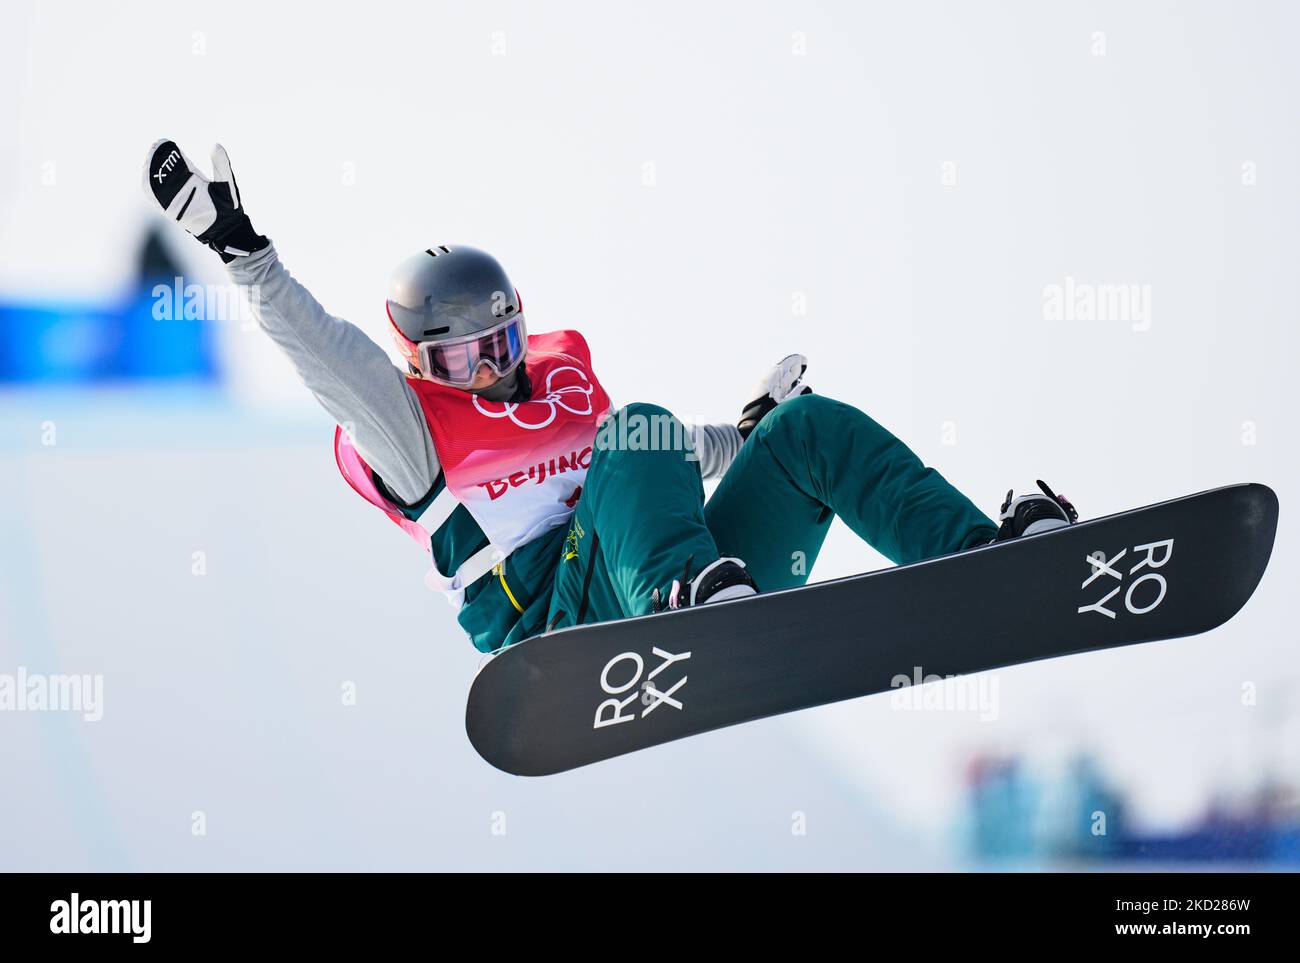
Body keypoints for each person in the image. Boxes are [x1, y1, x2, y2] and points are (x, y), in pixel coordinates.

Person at [143, 139, 1079, 654]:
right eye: (470, 357)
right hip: (558, 627)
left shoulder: (559, 384)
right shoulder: (411, 431)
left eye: (504, 342)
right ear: (426, 360)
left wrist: (748, 434)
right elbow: (333, 359)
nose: (495, 369)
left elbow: (647, 467)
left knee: (806, 430)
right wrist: (244, 254)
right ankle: (694, 605)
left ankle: (984, 555)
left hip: (679, 581)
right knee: (641, 431)